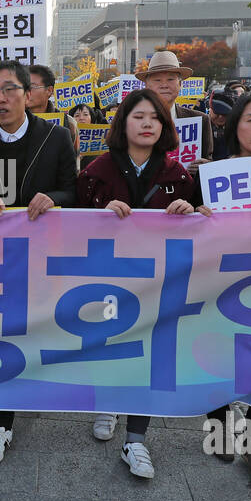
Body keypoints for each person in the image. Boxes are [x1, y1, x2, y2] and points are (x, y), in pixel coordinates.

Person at [78, 88, 208, 478]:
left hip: (158, 283)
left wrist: (191, 210)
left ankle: (136, 440)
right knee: (110, 343)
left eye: (155, 116)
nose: (147, 123)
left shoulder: (179, 175)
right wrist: (99, 212)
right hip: (107, 280)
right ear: (123, 123)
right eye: (138, 116)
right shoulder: (94, 171)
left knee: (151, 356)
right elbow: (70, 222)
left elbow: (203, 223)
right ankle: (106, 402)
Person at [0, 60, 78, 465]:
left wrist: (55, 198)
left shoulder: (56, 137)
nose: (0, 98)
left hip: (44, 256)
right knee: (1, 336)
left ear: (28, 93)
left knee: (41, 333)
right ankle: (0, 424)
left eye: (9, 89)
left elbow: (74, 191)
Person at [190, 89, 251, 487]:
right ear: (236, 126)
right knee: (218, 355)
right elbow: (187, 232)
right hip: (222, 285)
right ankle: (217, 428)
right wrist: (196, 214)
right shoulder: (211, 175)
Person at [135, 51, 214, 160]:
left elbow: (208, 160)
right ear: (147, 85)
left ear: (180, 84)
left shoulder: (200, 120)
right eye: (157, 80)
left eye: (170, 79)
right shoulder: (133, 120)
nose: (164, 85)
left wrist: (204, 166)